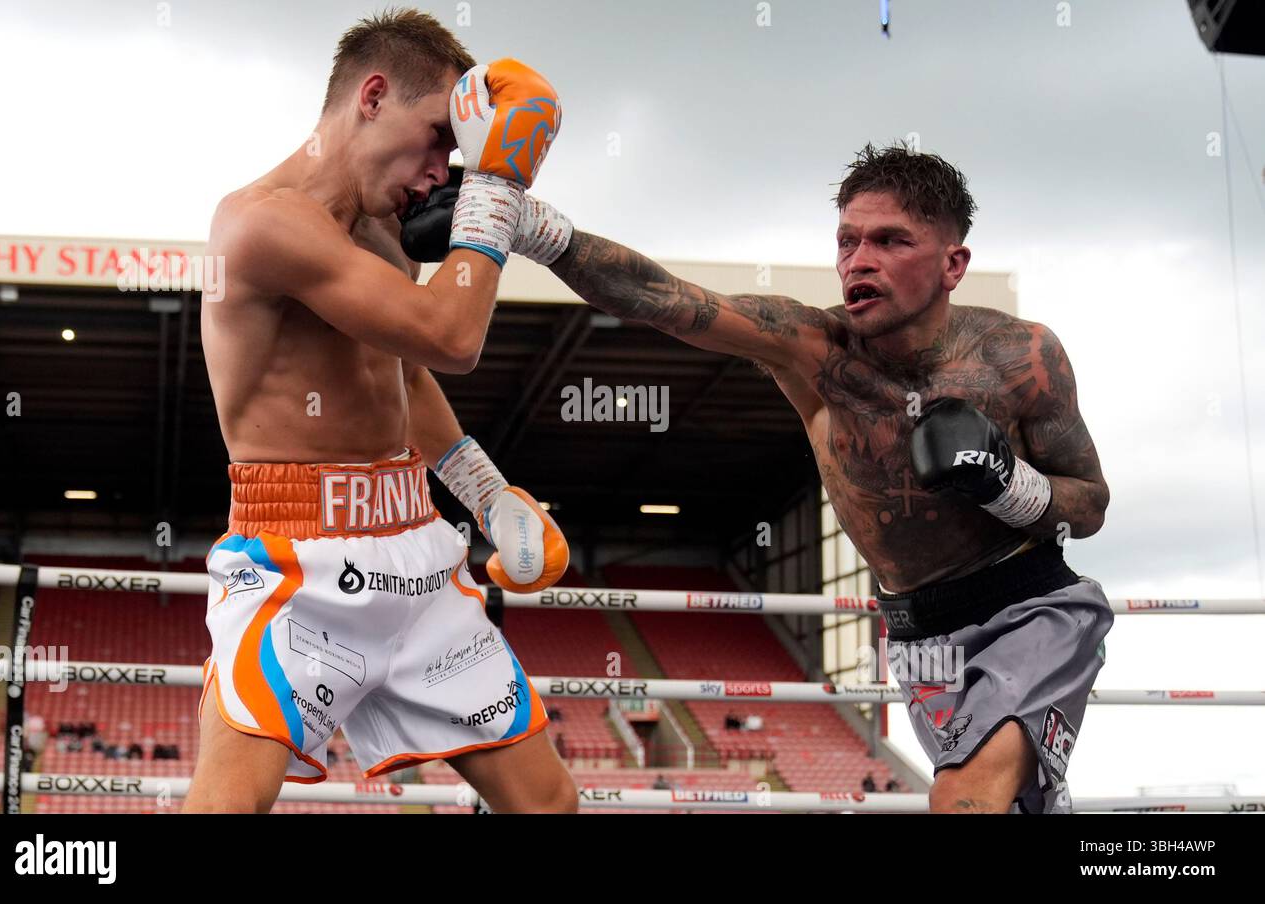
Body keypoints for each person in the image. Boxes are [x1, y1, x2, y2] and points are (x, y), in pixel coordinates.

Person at [400, 142, 1112, 814]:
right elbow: (664, 298)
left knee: (966, 798)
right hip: (920, 631)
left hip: (1031, 606)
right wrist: (528, 226)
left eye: (890, 241)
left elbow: (1089, 504)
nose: (860, 259)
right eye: (847, 241)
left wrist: (1007, 483)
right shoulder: (811, 348)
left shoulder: (1024, 356)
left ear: (953, 264)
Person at [185, 9, 575, 814]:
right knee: (228, 808)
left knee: (548, 805)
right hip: (297, 560)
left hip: (416, 544)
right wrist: (498, 189)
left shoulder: (381, 227)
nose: (441, 170)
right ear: (372, 96)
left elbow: (408, 374)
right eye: (437, 136)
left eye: (458, 154)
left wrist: (490, 497)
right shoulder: (260, 224)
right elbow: (451, 336)